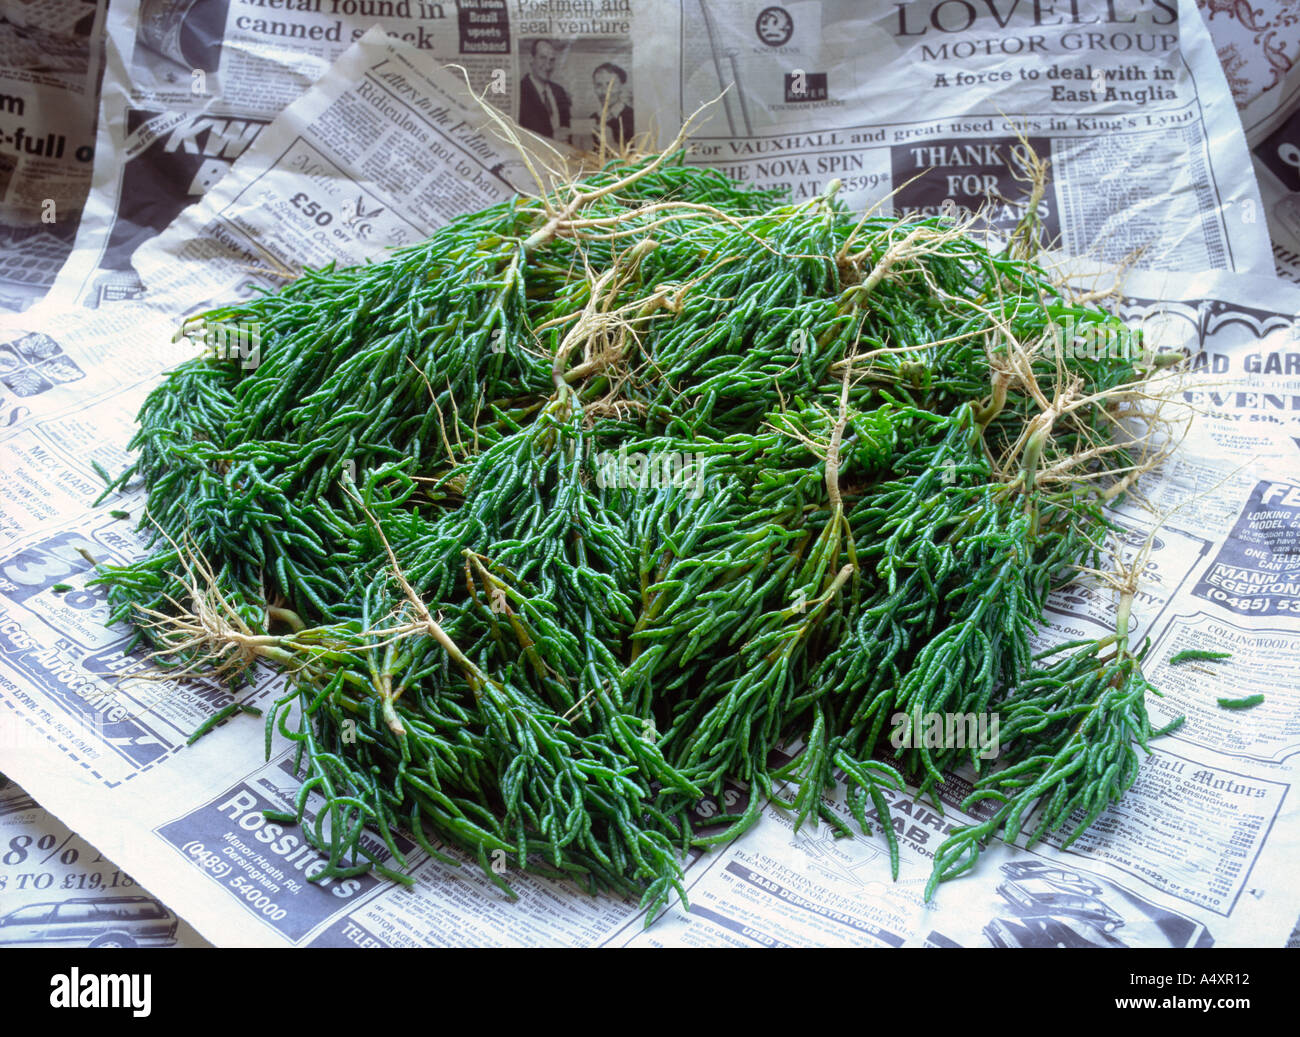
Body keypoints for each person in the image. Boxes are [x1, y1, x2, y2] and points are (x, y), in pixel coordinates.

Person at [519, 39, 570, 141]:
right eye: (543, 58)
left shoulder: (559, 91)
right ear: (531, 59)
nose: (548, 65)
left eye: (552, 60)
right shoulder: (519, 91)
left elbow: (567, 126)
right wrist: (551, 137)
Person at [590, 62, 633, 147]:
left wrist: (610, 142)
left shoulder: (633, 118)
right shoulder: (592, 118)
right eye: (599, 85)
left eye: (610, 85)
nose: (604, 92)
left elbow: (639, 158)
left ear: (622, 87)